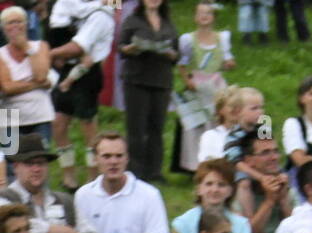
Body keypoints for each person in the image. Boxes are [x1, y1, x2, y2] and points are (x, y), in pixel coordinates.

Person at [74, 130, 169, 233]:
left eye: (119, 156)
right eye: (107, 156)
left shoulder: (149, 196)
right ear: (95, 159)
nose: (113, 162)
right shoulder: (83, 196)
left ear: (127, 158)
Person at [48, 0, 116, 191]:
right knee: (58, 124)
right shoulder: (69, 4)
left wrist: (50, 54)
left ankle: (93, 178)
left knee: (88, 126)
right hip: (65, 69)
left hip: (88, 72)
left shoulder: (103, 14)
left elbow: (79, 47)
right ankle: (68, 176)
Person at [118, 0, 179, 186]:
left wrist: (170, 54)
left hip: (161, 80)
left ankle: (155, 171)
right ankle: (135, 171)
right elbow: (121, 47)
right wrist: (132, 48)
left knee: (157, 128)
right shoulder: (132, 20)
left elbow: (176, 53)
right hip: (137, 79)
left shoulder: (168, 22)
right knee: (136, 128)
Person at [0, 132, 87, 233]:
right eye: (30, 164)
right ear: (16, 167)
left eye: (41, 163)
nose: (36, 169)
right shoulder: (4, 200)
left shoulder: (65, 200)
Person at [175, 4, 236, 173]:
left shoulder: (221, 38)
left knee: (217, 120)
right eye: (200, 13)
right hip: (197, 85)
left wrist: (229, 63)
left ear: (213, 17)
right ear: (195, 17)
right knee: (197, 124)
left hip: (216, 85)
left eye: (208, 13)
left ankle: (219, 160)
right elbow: (182, 63)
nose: (204, 16)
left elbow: (228, 60)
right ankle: (195, 164)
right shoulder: (188, 39)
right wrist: (187, 80)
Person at [235, 131, 293, 233]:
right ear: (249, 161)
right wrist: (269, 202)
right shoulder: (238, 196)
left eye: (275, 151)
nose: (274, 157)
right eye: (265, 153)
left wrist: (282, 200)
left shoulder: (289, 191)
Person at [171, 157, 252, 233]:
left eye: (221, 185)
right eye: (209, 184)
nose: (215, 189)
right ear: (199, 189)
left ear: (230, 190)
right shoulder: (182, 225)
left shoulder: (241, 225)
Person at [0, 6, 55, 147]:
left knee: (38, 158)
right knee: (11, 162)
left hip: (40, 115)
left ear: (27, 24)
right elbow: (7, 87)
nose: (15, 26)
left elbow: (41, 75)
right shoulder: (1, 54)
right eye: (10, 23)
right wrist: (36, 85)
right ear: (3, 28)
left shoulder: (40, 46)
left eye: (19, 21)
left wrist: (25, 47)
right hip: (9, 117)